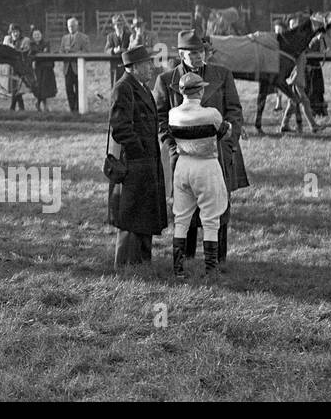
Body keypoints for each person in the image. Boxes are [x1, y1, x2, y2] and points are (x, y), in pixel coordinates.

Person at [153, 30, 246, 269]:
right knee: (185, 209)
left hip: (218, 152)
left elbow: (234, 111)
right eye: (191, 53)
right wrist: (172, 146)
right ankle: (186, 257)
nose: (196, 57)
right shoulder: (165, 80)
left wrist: (228, 141)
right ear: (181, 54)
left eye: (200, 52)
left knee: (219, 204)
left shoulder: (223, 75)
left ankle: (218, 259)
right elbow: (161, 118)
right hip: (183, 154)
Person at [105, 44, 166, 270]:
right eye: (148, 63)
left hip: (146, 163)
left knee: (144, 214)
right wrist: (140, 152)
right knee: (130, 216)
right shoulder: (124, 88)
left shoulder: (139, 86)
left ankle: (141, 262)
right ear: (135, 66)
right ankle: (126, 265)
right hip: (134, 164)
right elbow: (120, 127)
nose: (152, 67)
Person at [166, 72, 230, 280]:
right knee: (211, 220)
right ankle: (210, 269)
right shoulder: (211, 113)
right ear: (200, 90)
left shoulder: (173, 113)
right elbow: (223, 132)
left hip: (183, 166)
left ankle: (178, 269)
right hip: (206, 166)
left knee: (181, 218)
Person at [59, 17, 90, 112]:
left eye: (72, 26)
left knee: (78, 89)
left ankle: (79, 108)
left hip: (78, 67)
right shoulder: (64, 38)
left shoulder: (84, 37)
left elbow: (87, 51)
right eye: (69, 26)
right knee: (68, 89)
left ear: (77, 26)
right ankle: (72, 109)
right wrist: (64, 52)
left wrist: (73, 52)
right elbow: (61, 51)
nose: (71, 28)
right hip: (67, 67)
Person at [28, 27, 56, 112]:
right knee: (39, 86)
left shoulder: (46, 43)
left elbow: (46, 52)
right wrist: (39, 52)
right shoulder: (31, 44)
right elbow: (31, 54)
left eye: (38, 34)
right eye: (35, 35)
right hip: (37, 68)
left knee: (46, 86)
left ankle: (44, 105)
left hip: (47, 67)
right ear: (32, 36)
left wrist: (38, 53)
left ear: (41, 35)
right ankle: (39, 103)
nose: (37, 36)